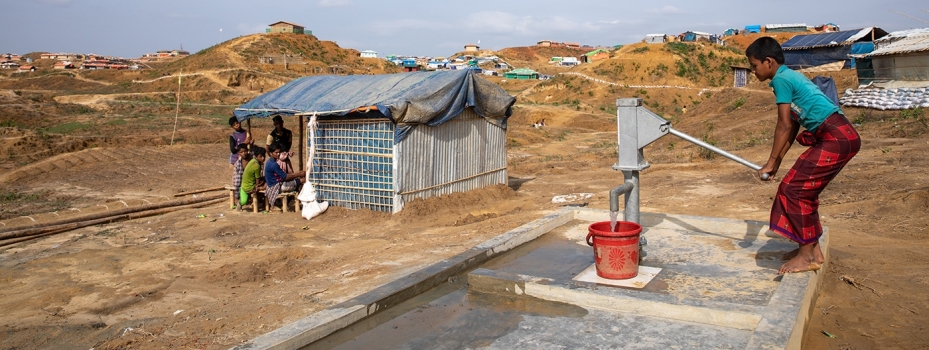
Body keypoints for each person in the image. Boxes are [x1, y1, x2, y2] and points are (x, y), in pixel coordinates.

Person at [746, 37, 861, 274]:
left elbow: (784, 125)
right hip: (840, 135)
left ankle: (806, 256)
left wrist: (769, 162)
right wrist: (776, 163)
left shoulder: (781, 80)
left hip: (835, 137)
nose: (753, 71)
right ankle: (811, 251)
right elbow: (794, 126)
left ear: (768, 62)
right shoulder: (788, 76)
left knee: (795, 190)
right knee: (802, 190)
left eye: (754, 65)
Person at [265, 143, 306, 212]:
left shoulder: (269, 162)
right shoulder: (274, 164)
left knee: (296, 181)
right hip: (278, 186)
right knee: (303, 180)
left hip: (272, 185)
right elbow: (285, 177)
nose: (278, 154)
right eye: (276, 152)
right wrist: (298, 173)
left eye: (279, 152)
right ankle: (303, 201)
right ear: (271, 153)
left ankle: (289, 202)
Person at [231, 144, 249, 210]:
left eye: (245, 151)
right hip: (242, 185)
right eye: (241, 152)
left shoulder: (252, 160)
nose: (244, 153)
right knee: (243, 201)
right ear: (239, 153)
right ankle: (239, 201)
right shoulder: (237, 164)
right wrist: (237, 196)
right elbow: (237, 181)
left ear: (248, 151)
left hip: (251, 183)